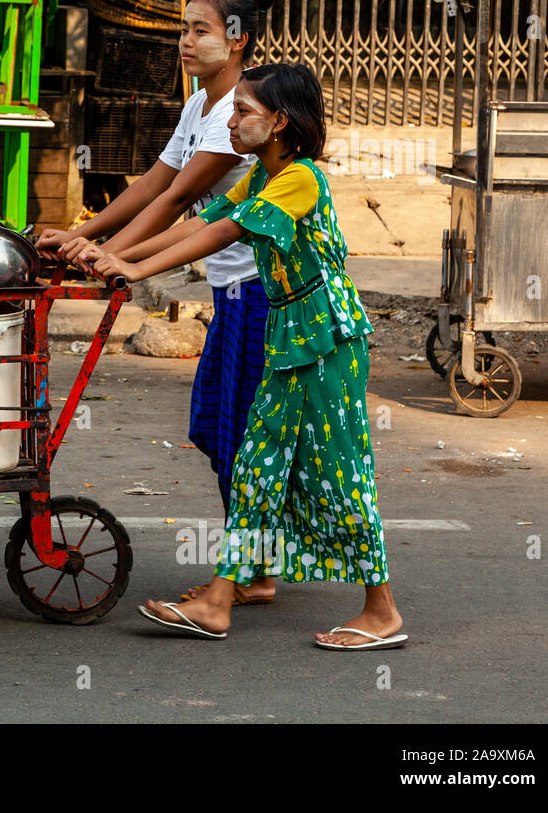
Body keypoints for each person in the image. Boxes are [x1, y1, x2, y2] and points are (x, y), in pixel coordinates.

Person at [80, 63, 407, 650]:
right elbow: (196, 225)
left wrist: (132, 268)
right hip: (290, 334)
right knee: (256, 464)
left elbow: (224, 234)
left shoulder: (301, 179)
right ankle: (222, 599)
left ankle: (381, 611)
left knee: (338, 471)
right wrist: (112, 255)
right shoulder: (260, 174)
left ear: (279, 122)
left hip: (326, 340)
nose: (230, 121)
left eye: (243, 113)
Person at [37, 0, 279, 607]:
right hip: (228, 292)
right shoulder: (200, 104)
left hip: (260, 292)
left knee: (240, 433)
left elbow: (178, 204)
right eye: (184, 29)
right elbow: (152, 183)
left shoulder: (239, 114)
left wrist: (118, 257)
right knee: (218, 426)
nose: (185, 42)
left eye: (200, 30)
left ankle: (251, 572)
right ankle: (257, 562)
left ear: (237, 39)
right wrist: (83, 235)